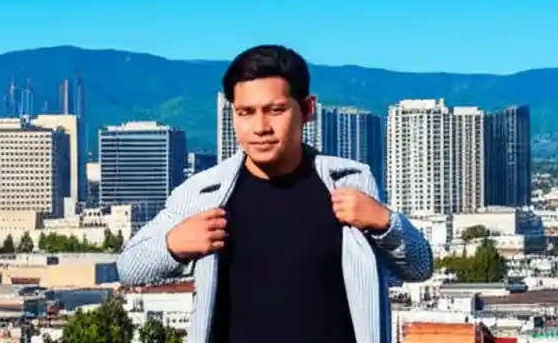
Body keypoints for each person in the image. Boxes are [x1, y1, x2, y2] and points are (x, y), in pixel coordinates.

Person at [118, 44, 433, 343]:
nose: (260, 126)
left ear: (307, 109)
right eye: (245, 112)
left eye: (275, 110)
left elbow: (420, 267)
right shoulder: (205, 193)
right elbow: (129, 267)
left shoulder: (349, 183)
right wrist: (173, 245)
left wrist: (384, 222)